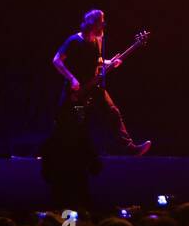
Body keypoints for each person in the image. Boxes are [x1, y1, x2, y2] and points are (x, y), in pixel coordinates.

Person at [52, 9, 151, 155]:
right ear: (92, 25)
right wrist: (72, 79)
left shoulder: (97, 41)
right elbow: (57, 60)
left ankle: (130, 149)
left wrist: (110, 62)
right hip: (76, 92)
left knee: (113, 112)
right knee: (78, 121)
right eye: (101, 23)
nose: (103, 26)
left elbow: (96, 61)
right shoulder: (74, 41)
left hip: (94, 87)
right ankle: (64, 153)